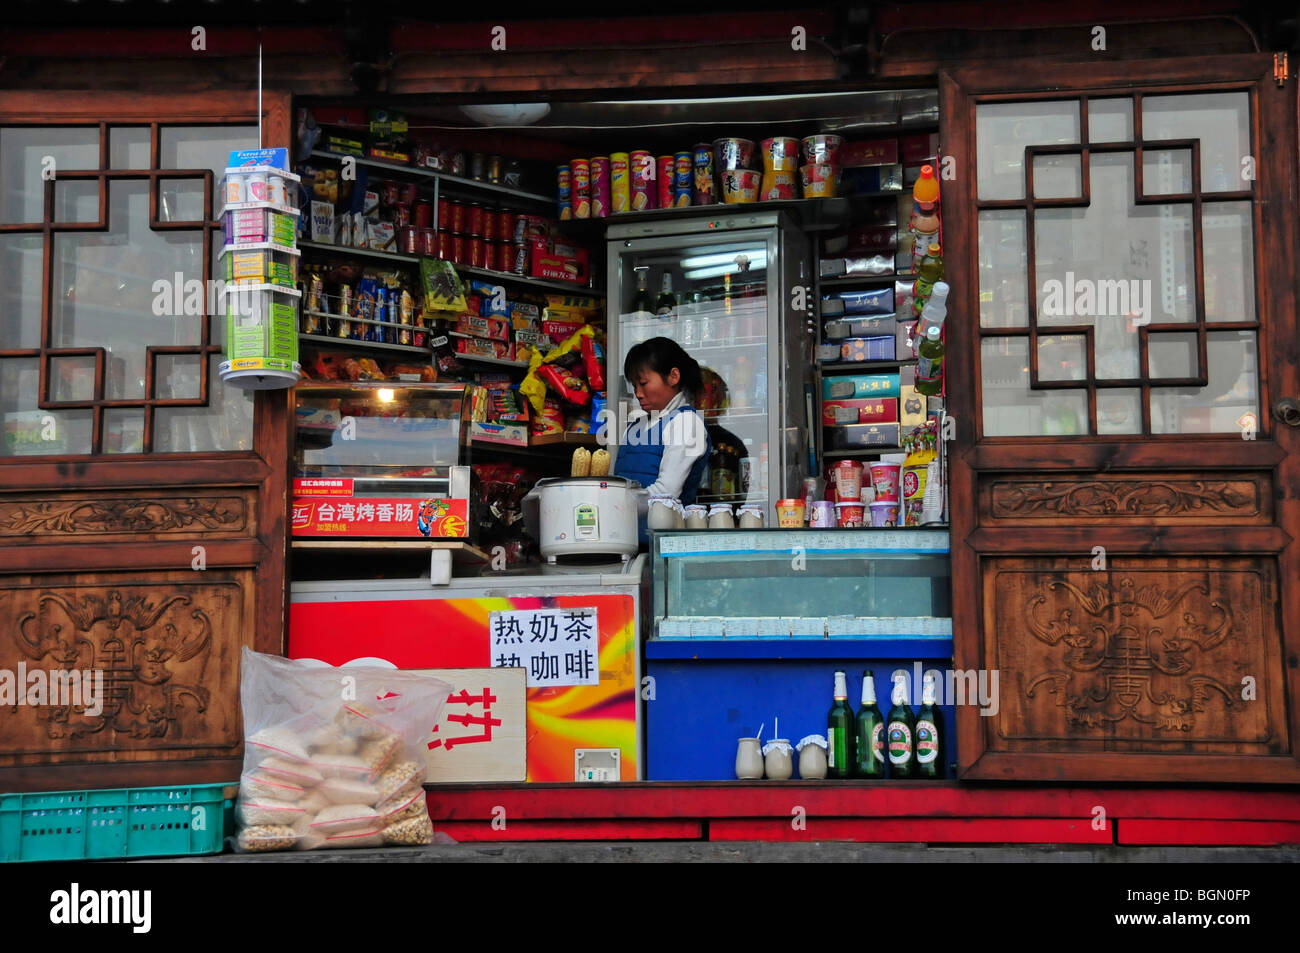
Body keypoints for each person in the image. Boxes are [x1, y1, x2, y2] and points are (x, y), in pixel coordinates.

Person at [612, 337, 711, 516]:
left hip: (663, 539)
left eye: (643, 383)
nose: (638, 394)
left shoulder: (686, 423)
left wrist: (611, 504)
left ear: (673, 376)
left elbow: (665, 495)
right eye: (634, 386)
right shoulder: (634, 427)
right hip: (625, 539)